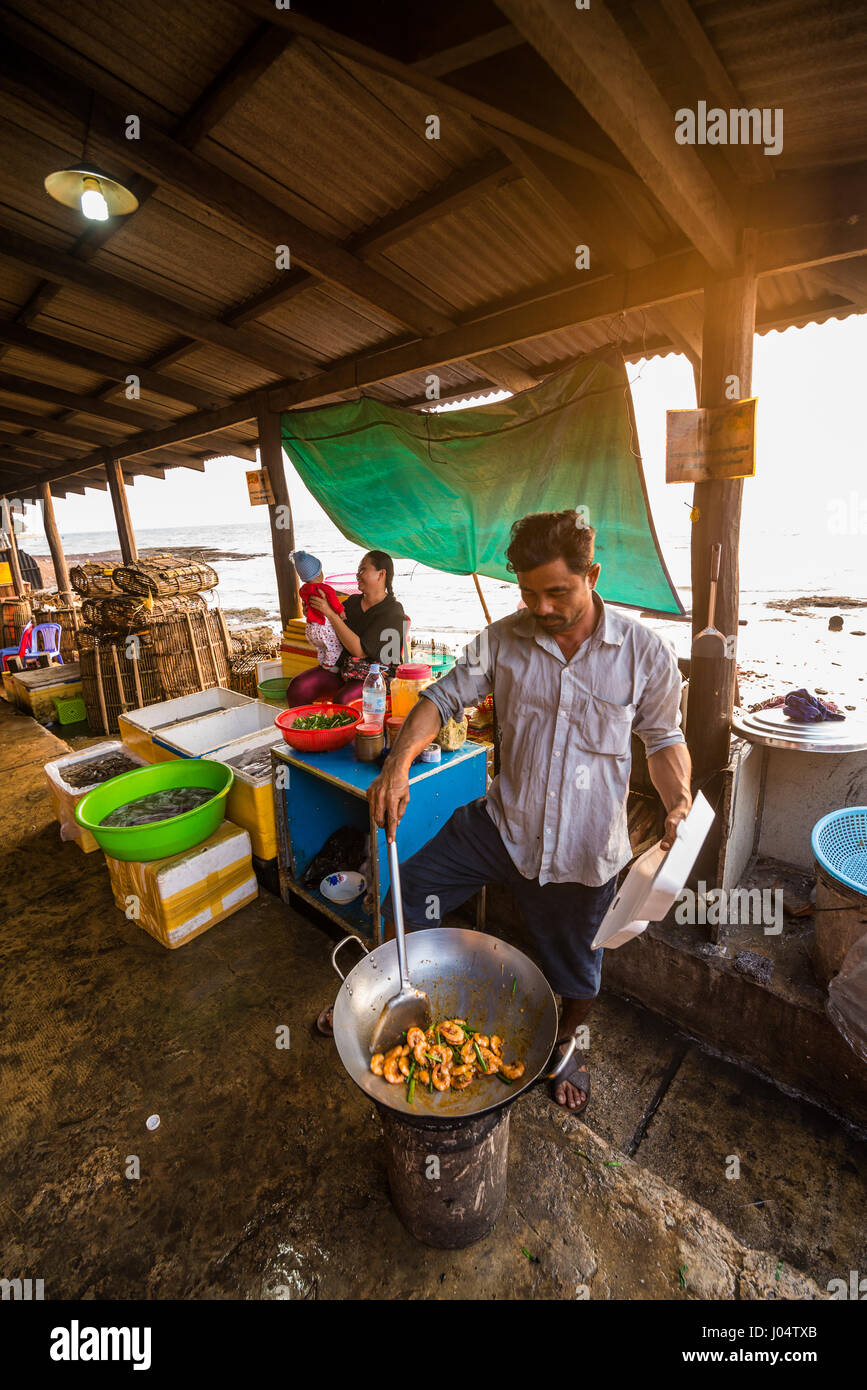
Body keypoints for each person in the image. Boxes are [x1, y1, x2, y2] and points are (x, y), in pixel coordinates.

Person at [366, 510, 692, 1112]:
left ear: (592, 575)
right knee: (408, 890)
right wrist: (398, 763)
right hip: (503, 826)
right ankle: (399, 1000)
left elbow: (664, 739)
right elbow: (440, 698)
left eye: (557, 592)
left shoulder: (643, 653)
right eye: (528, 593)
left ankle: (566, 1047)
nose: (539, 608)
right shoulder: (504, 639)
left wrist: (677, 804)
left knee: (577, 971)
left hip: (585, 846)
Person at [287, 549, 406, 709]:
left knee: (344, 701)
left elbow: (360, 651)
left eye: (363, 569)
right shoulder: (352, 603)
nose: (358, 574)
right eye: (358, 570)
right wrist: (313, 613)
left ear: (381, 574)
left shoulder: (392, 611)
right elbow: (330, 630)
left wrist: (329, 613)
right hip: (344, 670)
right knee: (298, 687)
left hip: (377, 676)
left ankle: (349, 734)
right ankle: (310, 732)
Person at [292, 550, 345, 674]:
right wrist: (341, 612)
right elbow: (334, 603)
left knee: (321, 648)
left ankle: (322, 663)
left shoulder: (303, 590)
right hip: (324, 627)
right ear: (319, 573)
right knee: (334, 647)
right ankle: (329, 666)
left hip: (311, 628)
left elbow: (306, 604)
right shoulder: (326, 589)